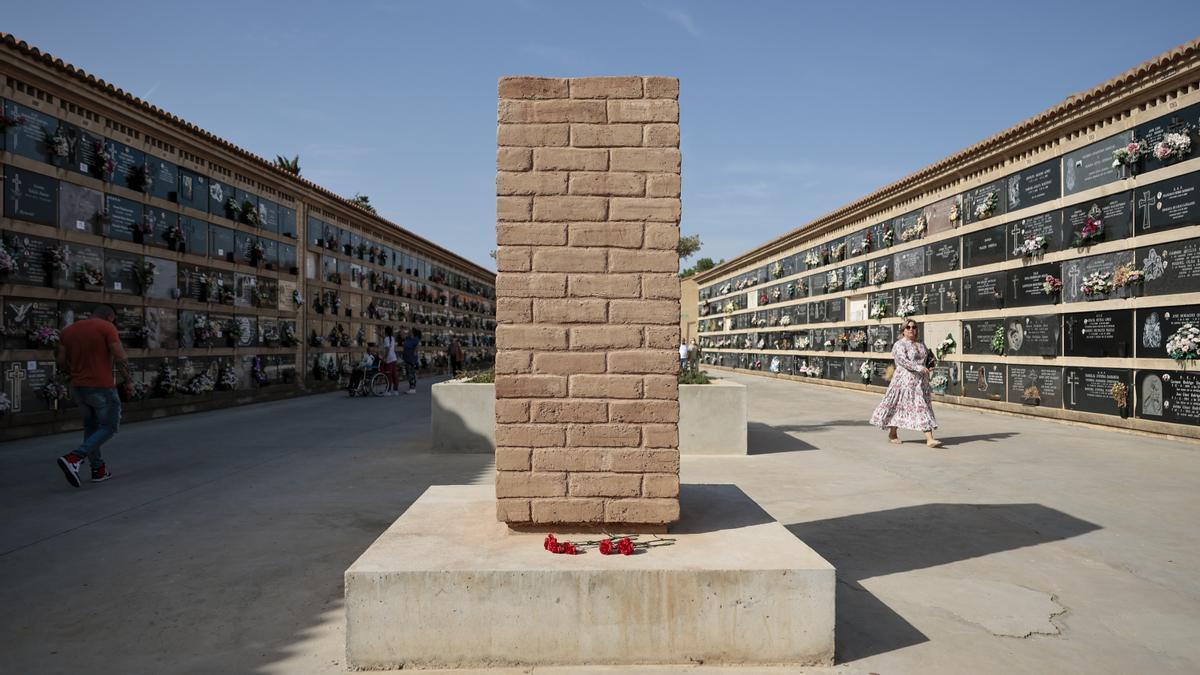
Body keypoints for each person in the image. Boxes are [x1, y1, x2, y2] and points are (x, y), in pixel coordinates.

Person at [55, 304, 134, 487]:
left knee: (92, 427)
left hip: (78, 387)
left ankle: (98, 469)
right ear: (110, 316)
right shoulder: (107, 327)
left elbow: (61, 361)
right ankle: (74, 458)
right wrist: (128, 380)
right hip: (101, 386)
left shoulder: (68, 331)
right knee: (110, 426)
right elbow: (120, 356)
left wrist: (77, 373)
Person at [869, 319, 942, 448]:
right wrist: (919, 368)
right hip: (904, 382)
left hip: (920, 382)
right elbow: (902, 360)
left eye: (914, 327)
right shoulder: (899, 345)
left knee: (921, 406)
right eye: (907, 327)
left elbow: (927, 358)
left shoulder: (921, 344)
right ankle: (928, 438)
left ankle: (896, 434)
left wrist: (929, 366)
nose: (911, 329)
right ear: (903, 330)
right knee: (899, 407)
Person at [381, 327, 400, 396]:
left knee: (388, 375)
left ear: (385, 332)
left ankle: (388, 391)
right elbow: (392, 348)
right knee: (394, 374)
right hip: (394, 358)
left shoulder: (386, 339)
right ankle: (396, 390)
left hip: (389, 359)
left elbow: (387, 349)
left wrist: (384, 357)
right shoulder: (392, 338)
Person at [402, 328, 421, 394]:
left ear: (412, 333)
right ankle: (411, 387)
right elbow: (402, 336)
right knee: (408, 374)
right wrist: (402, 329)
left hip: (411, 359)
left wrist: (415, 351)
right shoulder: (408, 338)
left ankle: (412, 388)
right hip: (407, 358)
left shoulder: (415, 339)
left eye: (410, 331)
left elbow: (417, 346)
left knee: (411, 373)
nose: (408, 332)